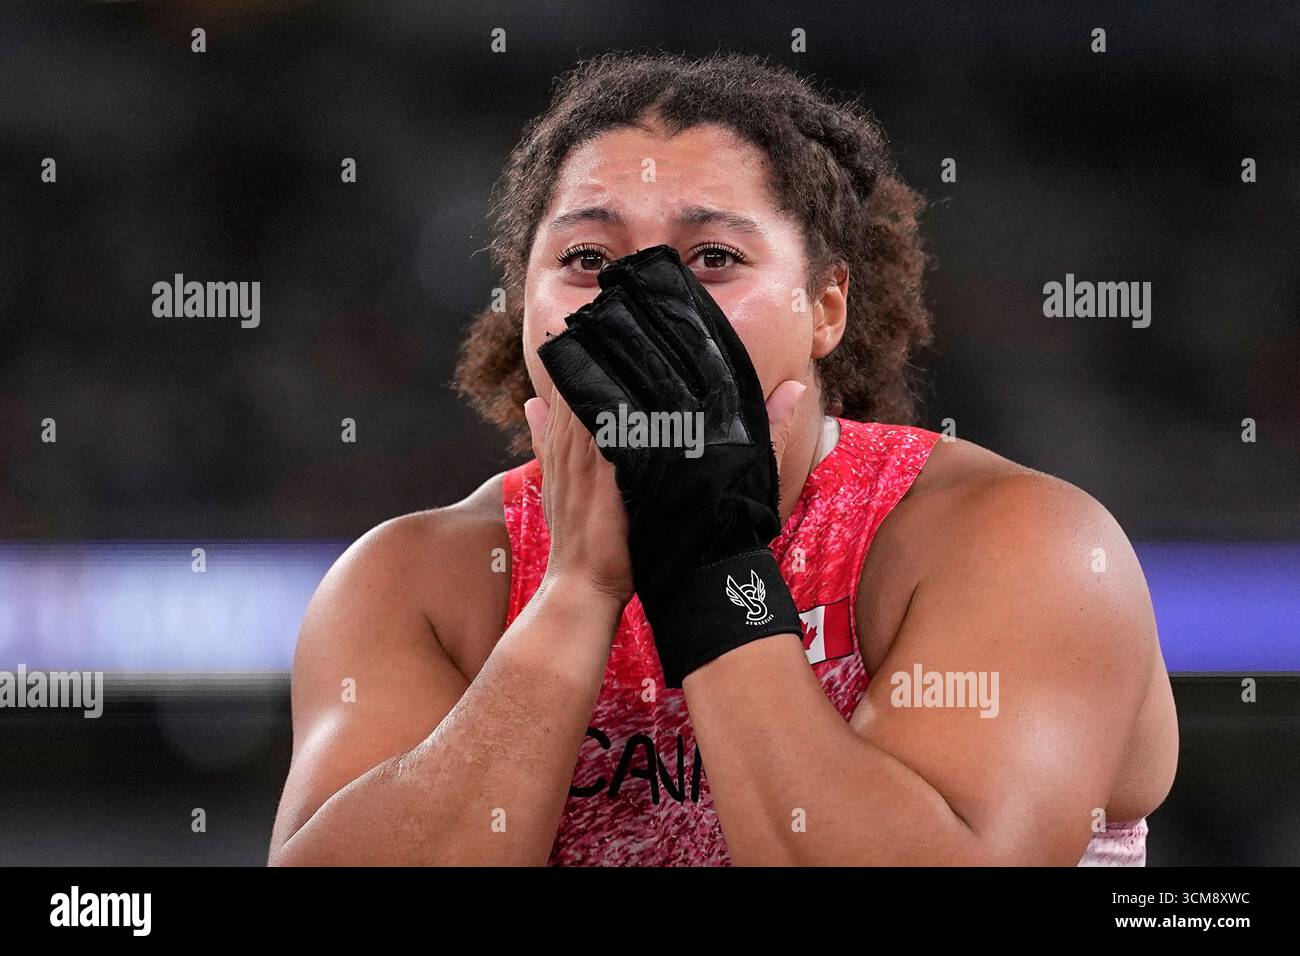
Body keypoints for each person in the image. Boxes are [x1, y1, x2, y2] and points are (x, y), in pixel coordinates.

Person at [267, 50, 1178, 866]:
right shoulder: (416, 579)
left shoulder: (1017, 543)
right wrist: (577, 591)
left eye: (710, 258)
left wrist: (708, 561)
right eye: (588, 257)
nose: (645, 302)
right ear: (523, 310)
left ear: (826, 308)